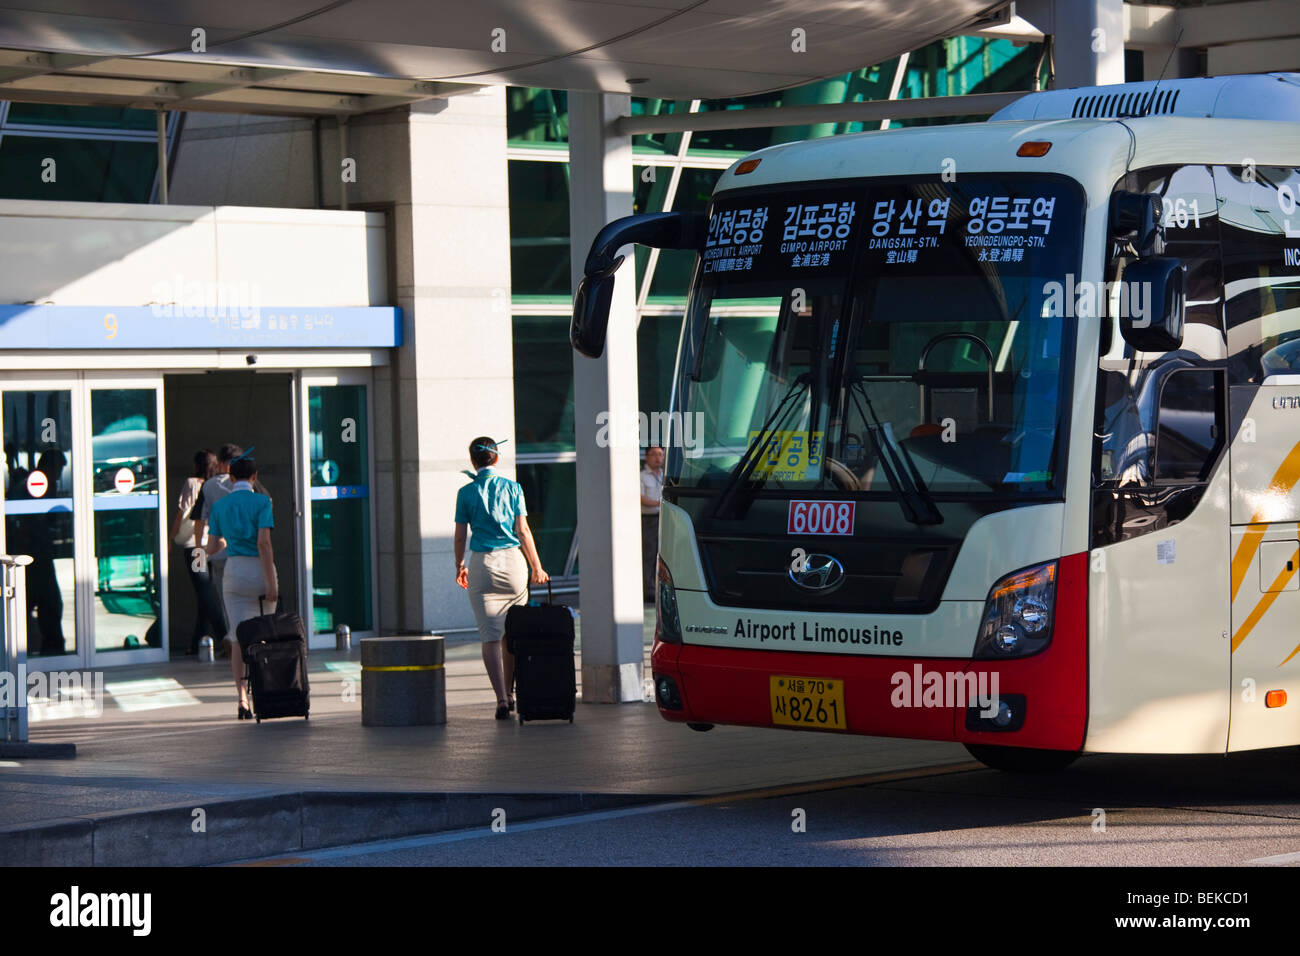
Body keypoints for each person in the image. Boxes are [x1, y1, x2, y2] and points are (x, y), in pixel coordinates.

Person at [453, 436, 548, 719]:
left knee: (489, 636)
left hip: (482, 564)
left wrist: (460, 565)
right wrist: (537, 567)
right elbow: (523, 531)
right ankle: (511, 691)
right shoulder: (513, 488)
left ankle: (500, 700)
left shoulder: (465, 493)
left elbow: (460, 536)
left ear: (473, 461)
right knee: (512, 634)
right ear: (495, 459)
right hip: (513, 564)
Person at [205, 450, 277, 720]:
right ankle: (267, 691)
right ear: (255, 476)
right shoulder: (263, 501)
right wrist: (271, 582)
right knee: (265, 635)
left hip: (234, 571)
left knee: (237, 639)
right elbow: (264, 544)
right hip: (260, 569)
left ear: (231, 477)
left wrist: (223, 543)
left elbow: (213, 547)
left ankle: (243, 698)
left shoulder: (221, 507)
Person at [172, 450, 227, 655]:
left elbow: (182, 512)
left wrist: (170, 537)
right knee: (204, 594)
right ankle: (197, 643)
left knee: (205, 593)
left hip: (195, 547)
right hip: (215, 545)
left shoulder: (192, 483)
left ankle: (224, 637)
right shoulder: (218, 485)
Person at [640, 445, 664, 603]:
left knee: (661, 555)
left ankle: (659, 588)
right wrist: (659, 503)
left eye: (661, 455)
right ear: (646, 457)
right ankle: (647, 590)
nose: (658, 458)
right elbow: (640, 497)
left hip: (663, 518)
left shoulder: (664, 474)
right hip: (648, 519)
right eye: (654, 454)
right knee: (648, 555)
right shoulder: (642, 476)